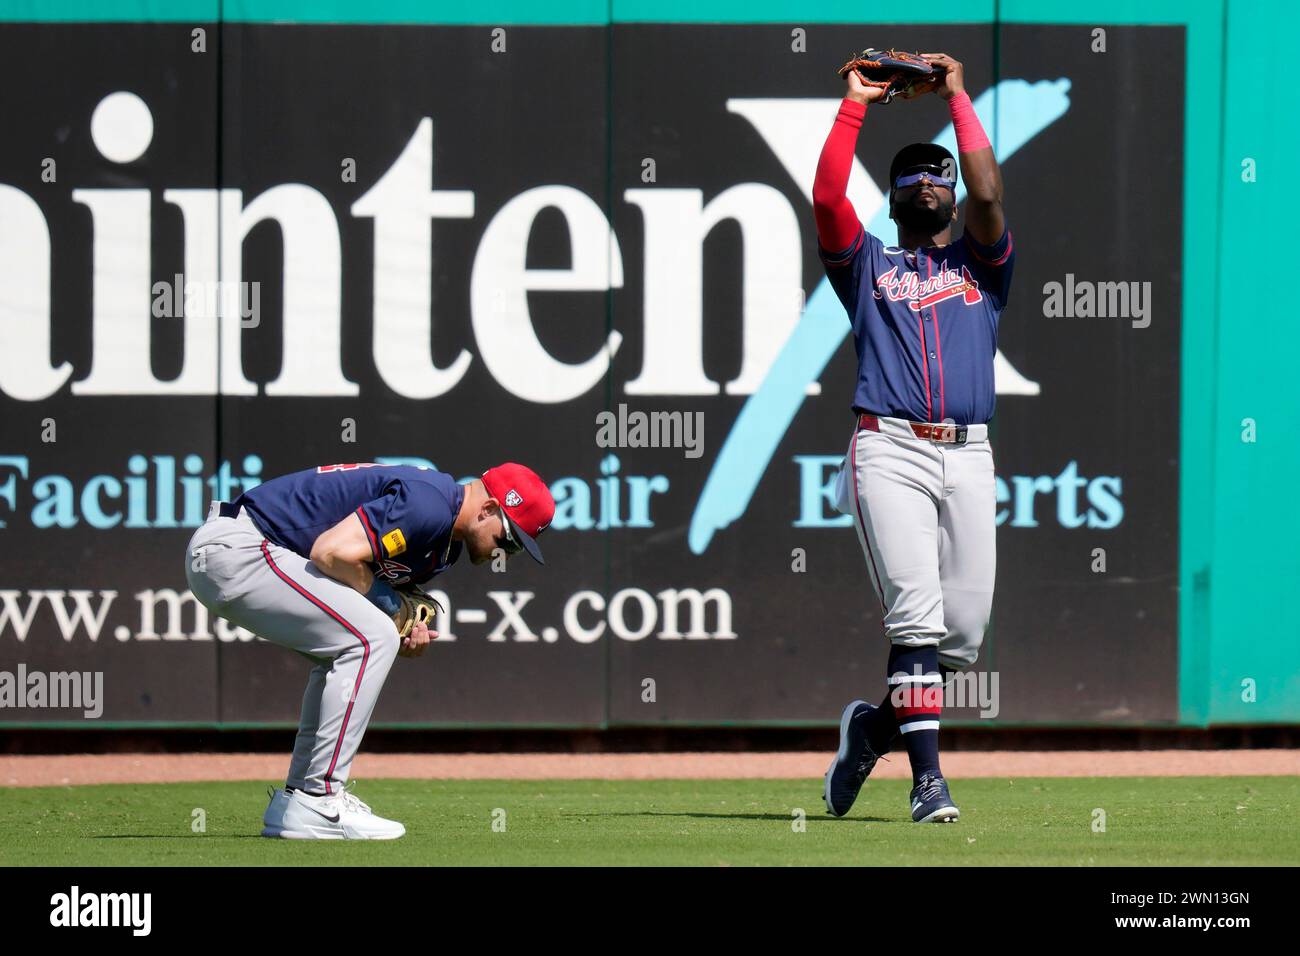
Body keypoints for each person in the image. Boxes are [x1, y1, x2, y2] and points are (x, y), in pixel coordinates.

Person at [814, 53, 1015, 823]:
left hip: (968, 451)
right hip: (890, 448)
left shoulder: (984, 263)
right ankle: (928, 782)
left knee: (959, 639)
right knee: (917, 621)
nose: (931, 180)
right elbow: (829, 195)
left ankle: (872, 730)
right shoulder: (867, 265)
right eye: (914, 175)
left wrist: (959, 97)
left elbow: (990, 192)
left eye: (941, 173)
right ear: (897, 197)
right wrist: (856, 106)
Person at [185, 461, 554, 839]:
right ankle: (319, 798)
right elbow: (331, 554)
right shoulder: (430, 504)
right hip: (238, 548)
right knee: (371, 637)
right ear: (489, 508)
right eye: (509, 539)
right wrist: (393, 614)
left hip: (245, 553)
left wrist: (403, 624)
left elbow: (363, 585)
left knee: (355, 643)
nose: (507, 553)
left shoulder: (443, 543)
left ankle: (297, 800)